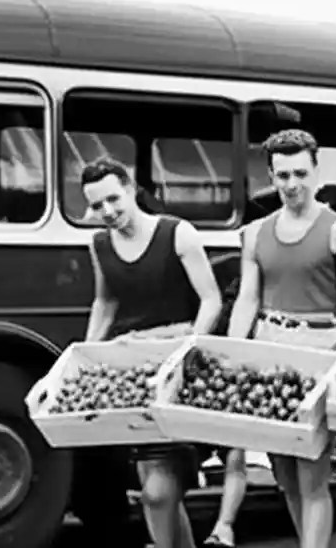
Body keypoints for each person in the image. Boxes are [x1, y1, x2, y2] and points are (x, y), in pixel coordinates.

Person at [226, 129, 336, 548]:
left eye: (301, 173)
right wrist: (234, 353)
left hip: (319, 350)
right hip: (270, 351)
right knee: (283, 475)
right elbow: (248, 298)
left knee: (312, 475)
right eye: (283, 174)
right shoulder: (254, 233)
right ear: (270, 174)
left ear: (316, 170)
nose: (292, 184)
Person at [81, 157, 224, 548]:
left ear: (130, 189)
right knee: (156, 489)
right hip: (134, 370)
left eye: (113, 199)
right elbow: (105, 301)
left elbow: (210, 301)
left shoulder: (178, 233)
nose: (107, 212)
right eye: (97, 206)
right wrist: (85, 354)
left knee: (158, 493)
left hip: (179, 370)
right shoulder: (99, 244)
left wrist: (185, 352)